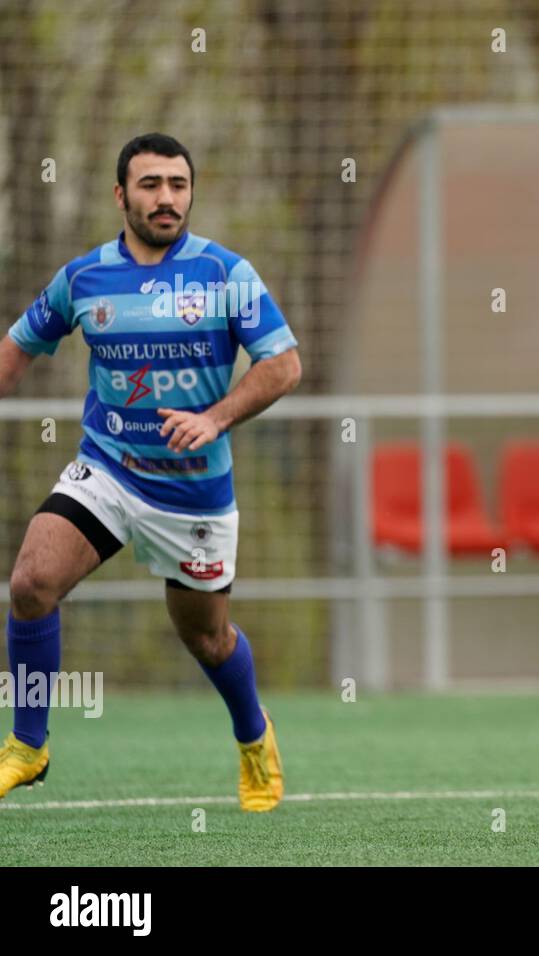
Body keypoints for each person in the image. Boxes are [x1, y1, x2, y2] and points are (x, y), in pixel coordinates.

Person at [0, 133, 300, 809]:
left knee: (206, 637)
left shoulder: (225, 275)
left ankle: (254, 736)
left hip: (192, 493)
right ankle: (27, 744)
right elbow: (17, 349)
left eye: (178, 184)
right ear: (121, 195)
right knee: (30, 582)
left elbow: (283, 366)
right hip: (106, 470)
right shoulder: (83, 279)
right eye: (150, 185)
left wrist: (216, 417)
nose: (166, 198)